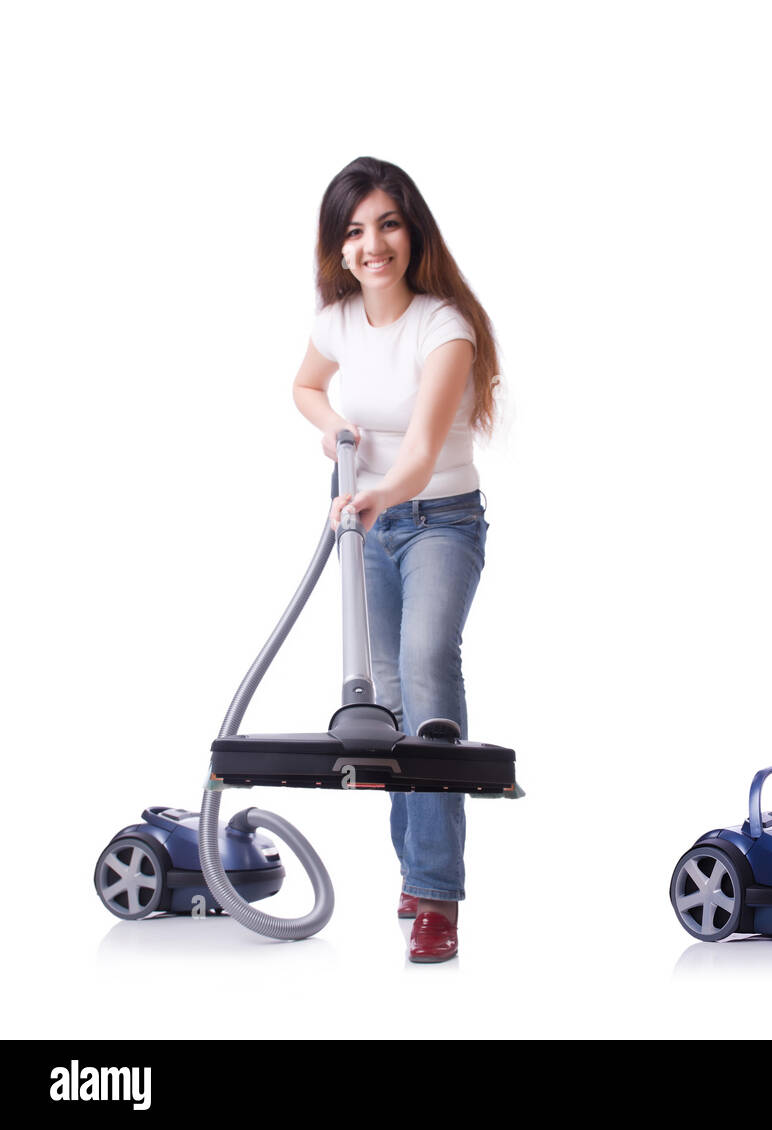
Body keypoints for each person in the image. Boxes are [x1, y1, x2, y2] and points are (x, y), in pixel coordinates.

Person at [291, 156, 501, 964]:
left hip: (439, 521)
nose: (371, 244)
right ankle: (416, 871)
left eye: (386, 224)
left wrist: (375, 494)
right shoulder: (339, 320)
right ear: (338, 248)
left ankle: (438, 896)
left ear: (411, 231)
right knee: (384, 706)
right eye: (354, 231)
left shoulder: (444, 327)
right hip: (366, 525)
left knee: (426, 675)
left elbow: (416, 453)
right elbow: (304, 387)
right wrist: (331, 428)